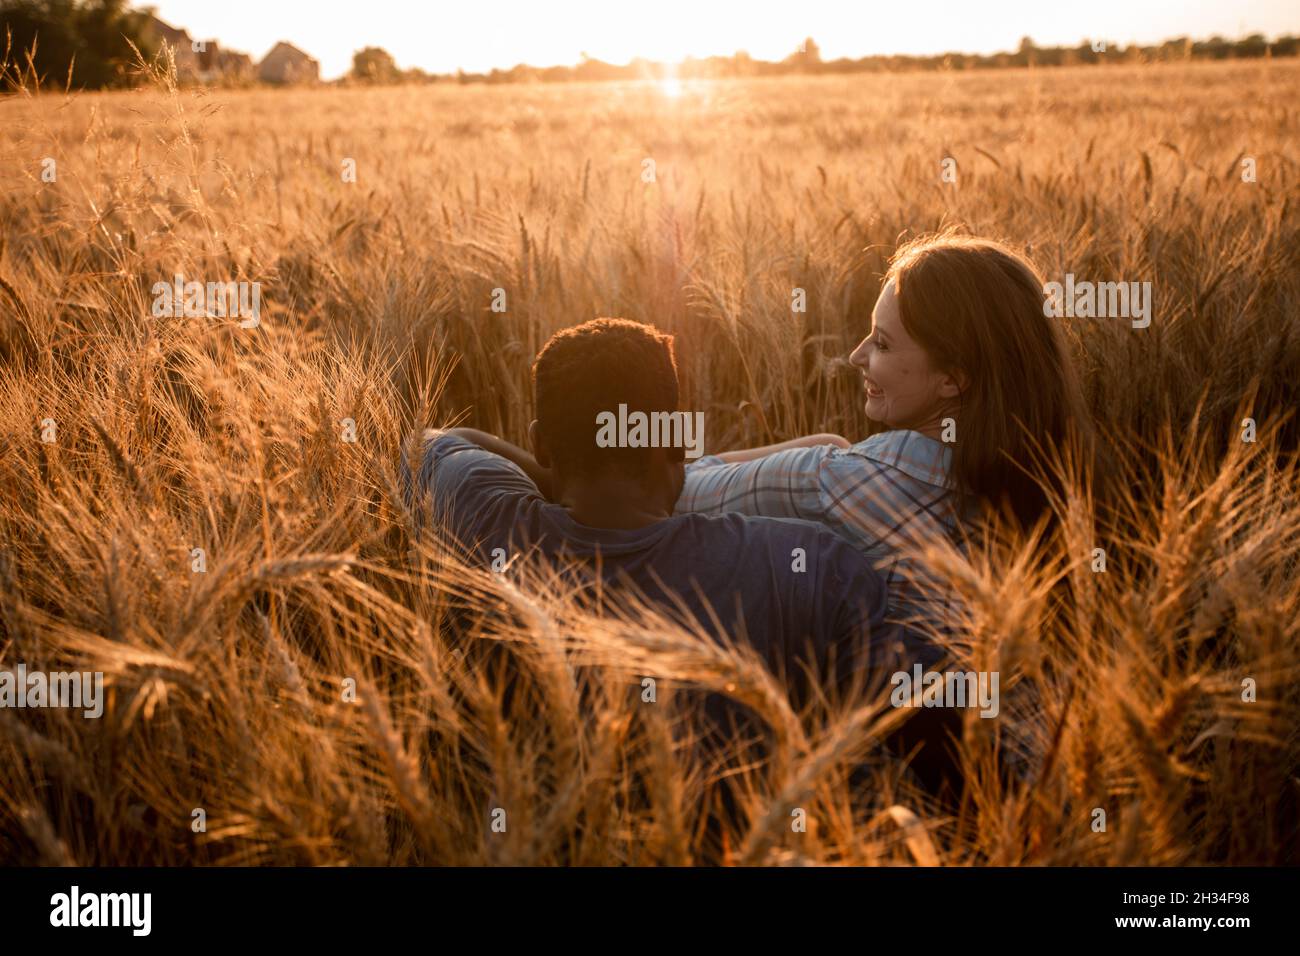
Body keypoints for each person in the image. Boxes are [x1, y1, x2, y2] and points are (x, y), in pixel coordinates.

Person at [402, 318, 943, 705]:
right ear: (678, 441)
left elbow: (434, 441)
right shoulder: (808, 565)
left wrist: (561, 476)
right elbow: (931, 721)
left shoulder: (477, 512)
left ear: (542, 446)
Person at [674, 232, 1095, 632]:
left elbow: (675, 489)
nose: (857, 355)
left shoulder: (838, 482)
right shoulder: (1065, 482)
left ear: (953, 378)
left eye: (883, 344)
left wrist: (817, 449)